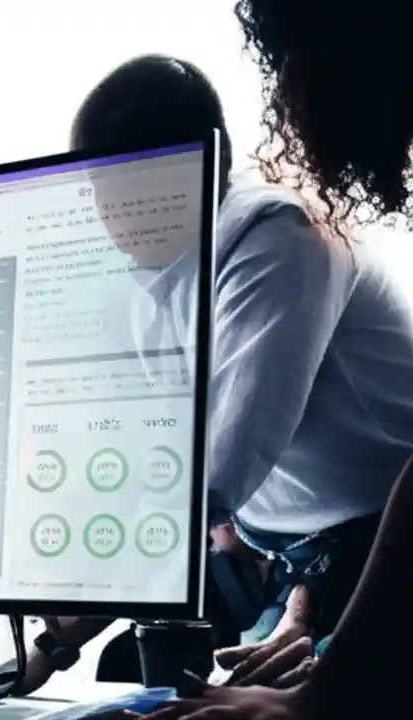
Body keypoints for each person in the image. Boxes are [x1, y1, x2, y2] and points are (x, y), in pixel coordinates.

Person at [19, 54, 413, 697]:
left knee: (217, 692)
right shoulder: (155, 276)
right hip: (290, 562)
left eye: (122, 186)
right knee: (136, 671)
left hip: (383, 549)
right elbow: (148, 467)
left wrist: (57, 639)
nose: (106, 211)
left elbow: (208, 477)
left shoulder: (280, 239)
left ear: (199, 167)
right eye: (96, 188)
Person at [138, 2, 413, 717]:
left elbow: (214, 476)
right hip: (325, 564)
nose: (285, 94)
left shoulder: (279, 234)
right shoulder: (178, 276)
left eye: (292, 59)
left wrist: (319, 698)